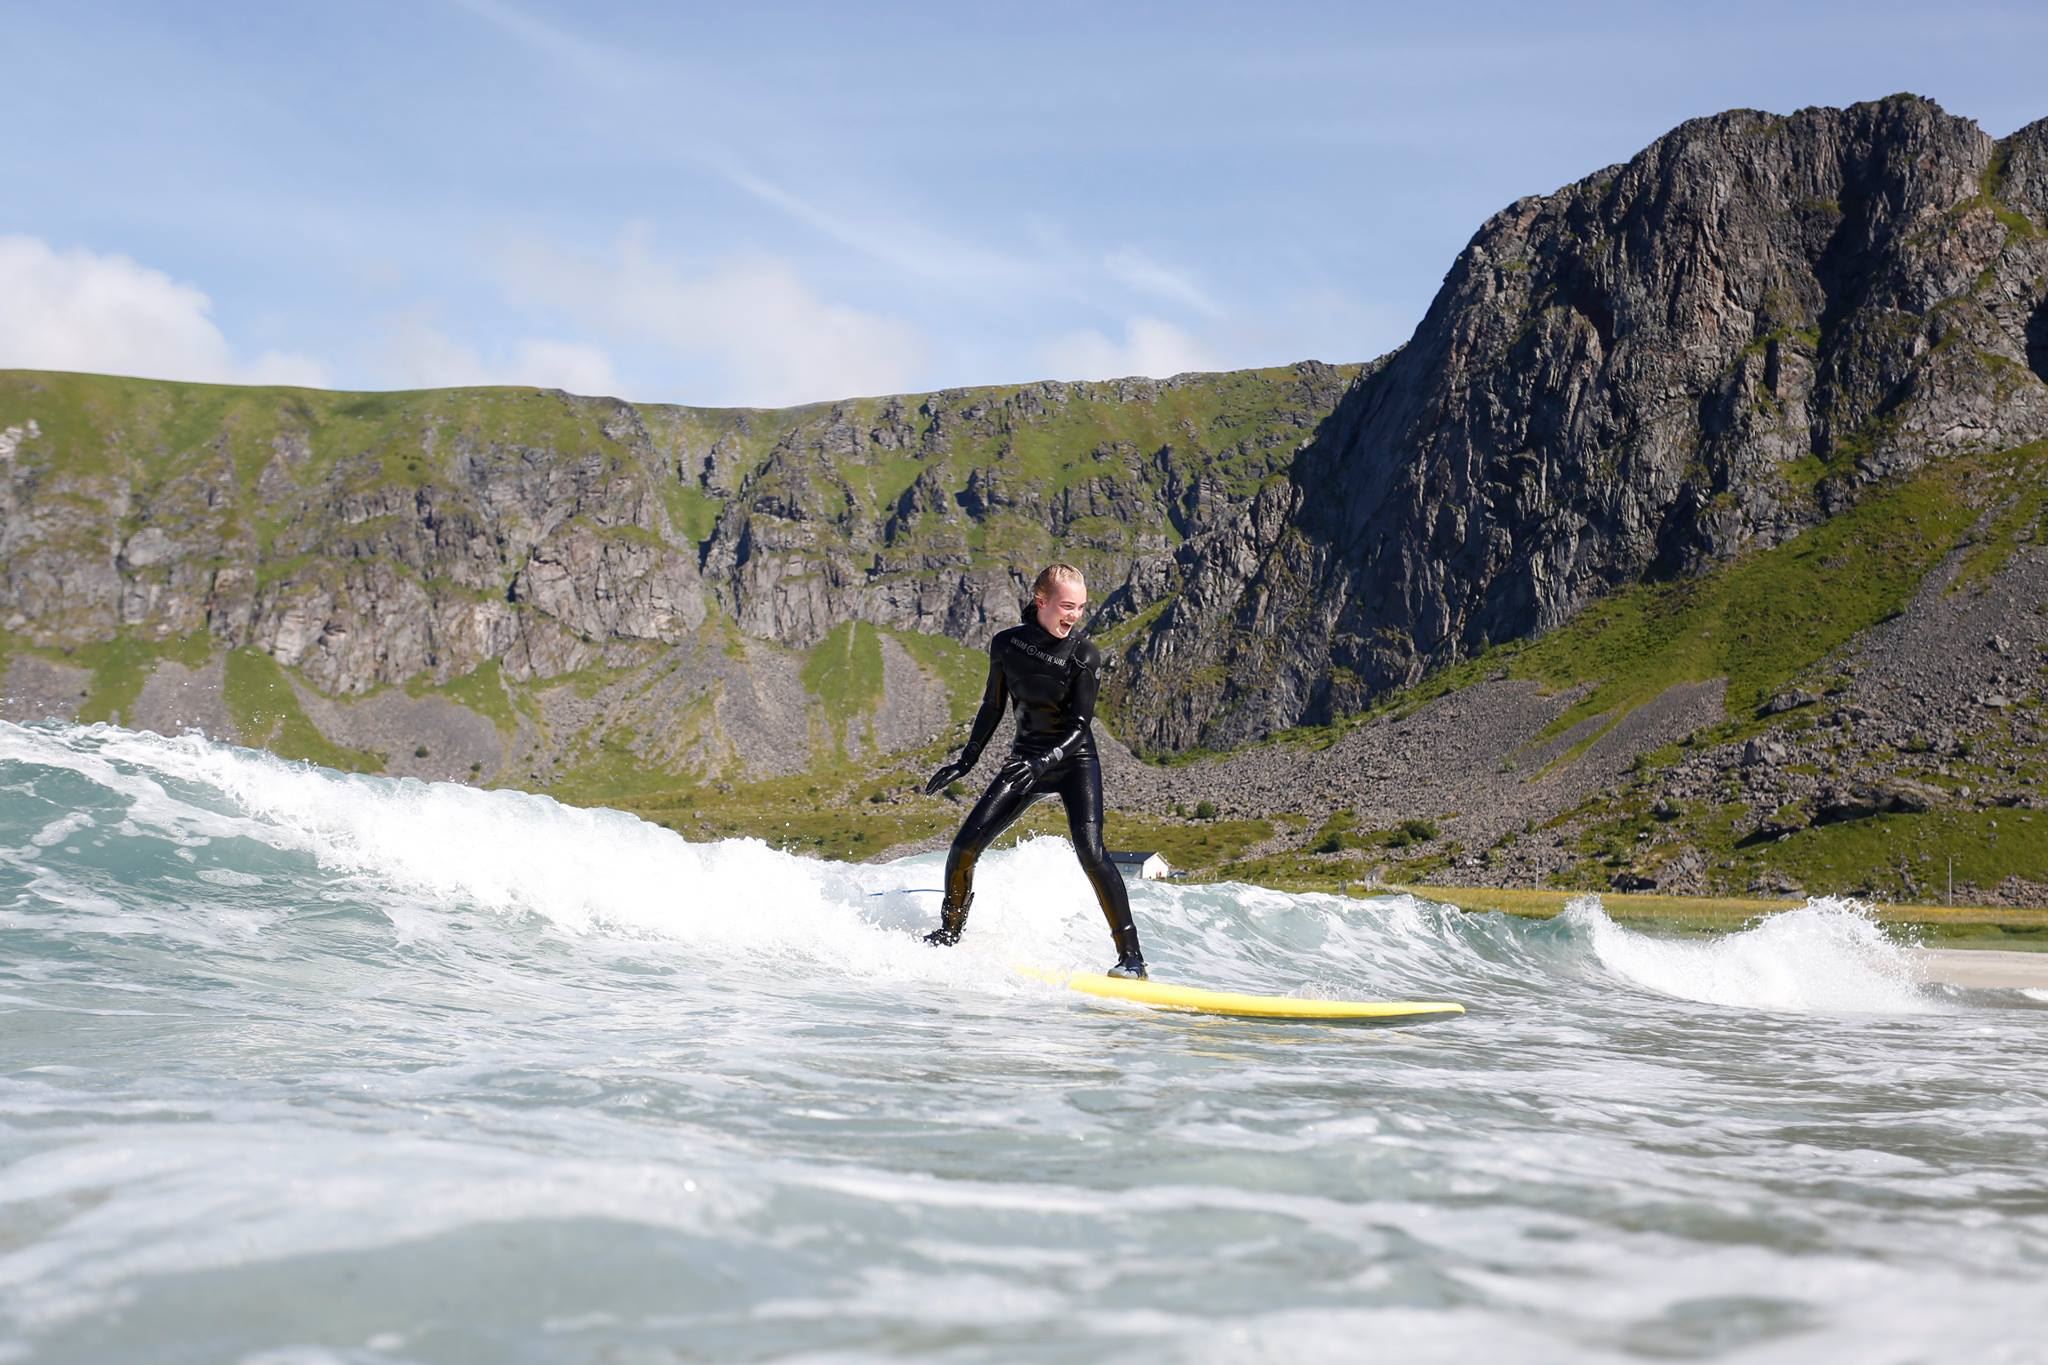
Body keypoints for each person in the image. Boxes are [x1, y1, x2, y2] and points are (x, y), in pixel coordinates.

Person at [922, 564, 1148, 979]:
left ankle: (1132, 959)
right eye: (1066, 606)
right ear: (1040, 601)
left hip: (1073, 761)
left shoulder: (1084, 654)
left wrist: (1042, 762)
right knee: (964, 847)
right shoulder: (1006, 645)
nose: (1074, 616)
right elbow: (992, 707)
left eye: (1080, 608)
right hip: (1025, 760)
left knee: (1092, 853)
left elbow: (1080, 728)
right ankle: (949, 935)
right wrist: (966, 760)